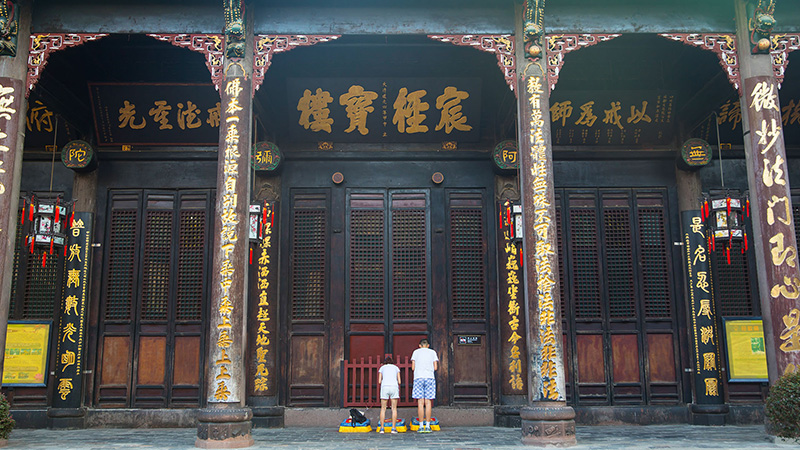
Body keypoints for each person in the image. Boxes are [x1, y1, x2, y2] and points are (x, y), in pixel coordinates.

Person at [411, 338, 438, 433]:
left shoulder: (415, 352)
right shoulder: (433, 352)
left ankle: (421, 425)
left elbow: (413, 367)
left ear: (420, 345)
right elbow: (435, 367)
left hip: (418, 377)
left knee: (420, 402)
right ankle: (428, 425)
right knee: (428, 402)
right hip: (429, 377)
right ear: (428, 345)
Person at [377, 355, 401, 434]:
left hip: (385, 387)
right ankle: (393, 428)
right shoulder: (396, 368)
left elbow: (379, 381)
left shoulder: (382, 368)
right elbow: (399, 381)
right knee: (394, 408)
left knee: (383, 408)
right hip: (394, 386)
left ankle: (382, 428)